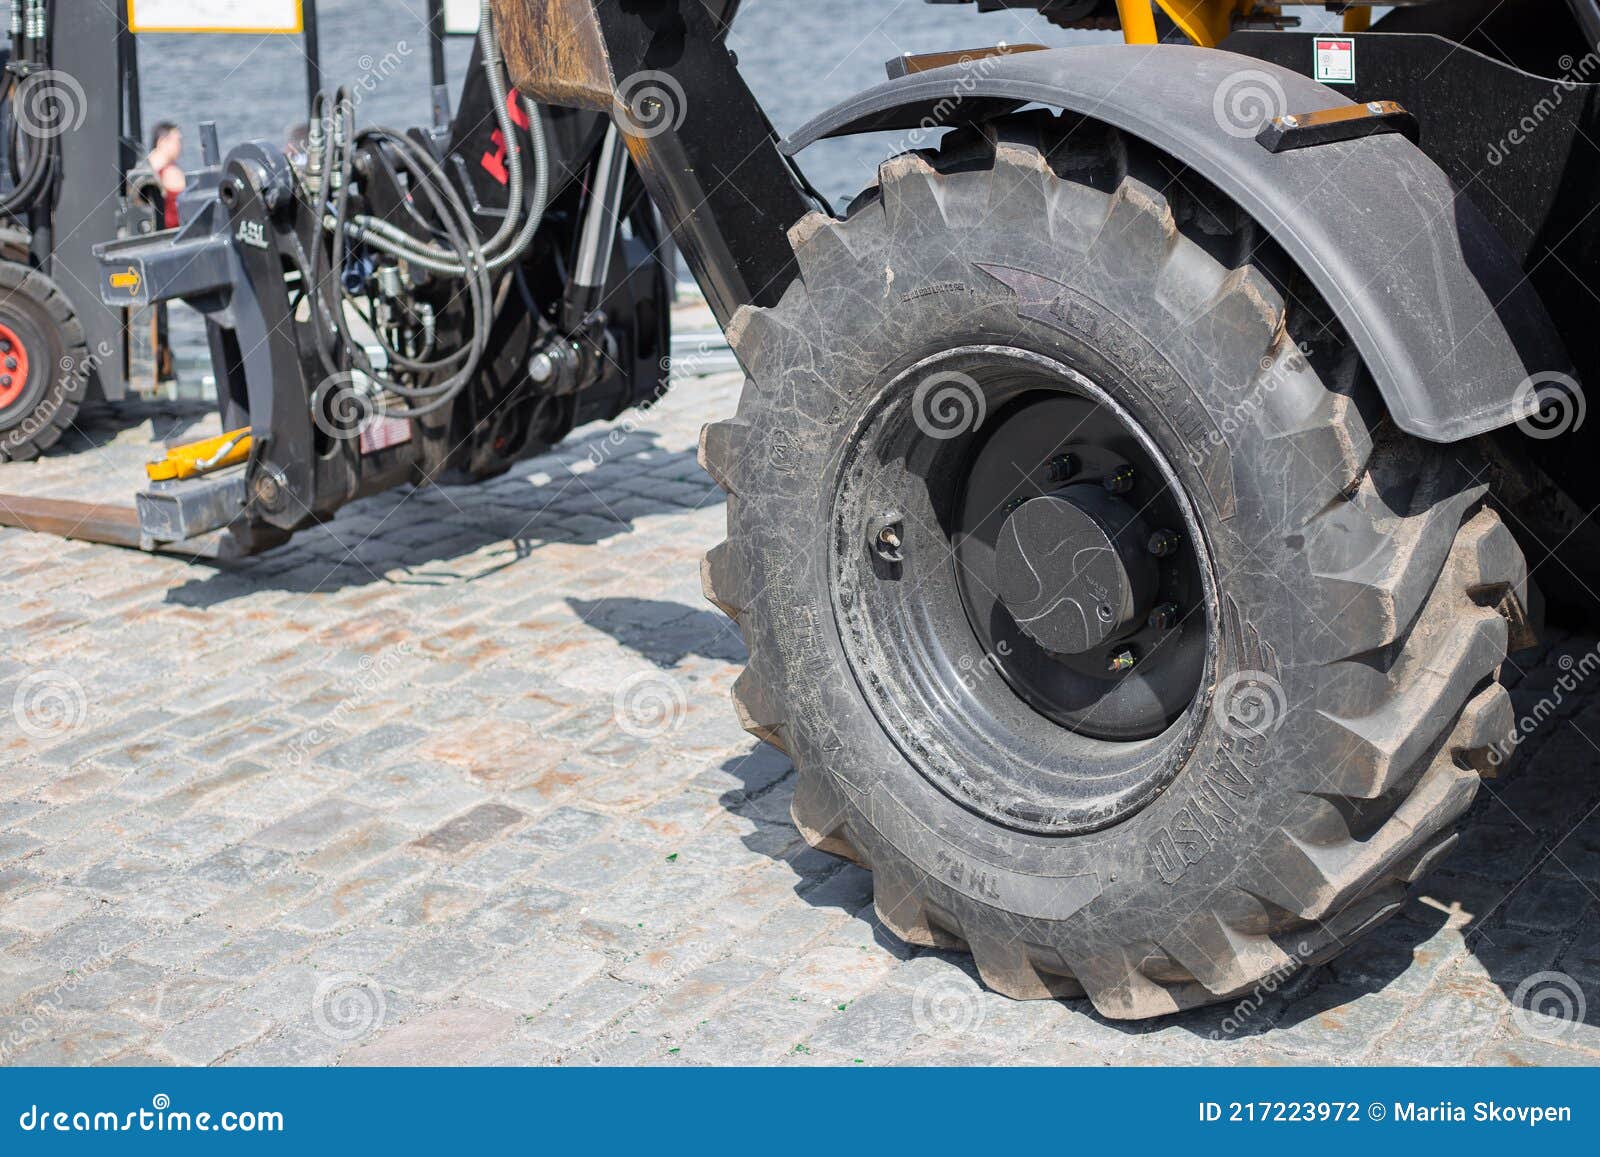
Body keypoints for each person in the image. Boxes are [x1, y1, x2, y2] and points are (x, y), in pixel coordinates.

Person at [147, 121, 186, 231]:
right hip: (175, 231)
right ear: (162, 142)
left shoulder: (147, 166)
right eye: (177, 141)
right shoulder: (170, 172)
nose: (180, 146)